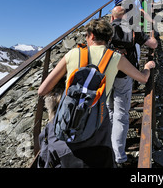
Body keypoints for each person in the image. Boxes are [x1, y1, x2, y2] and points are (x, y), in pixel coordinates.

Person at [37, 19, 155, 168]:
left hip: (67, 119)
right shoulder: (116, 57)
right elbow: (143, 78)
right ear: (109, 39)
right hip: (98, 120)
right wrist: (147, 67)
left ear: (91, 36)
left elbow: (42, 90)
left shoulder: (73, 53)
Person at [108, 6, 158, 166]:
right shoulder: (132, 29)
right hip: (125, 74)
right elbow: (153, 44)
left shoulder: (106, 30)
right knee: (121, 115)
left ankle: (108, 146)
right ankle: (119, 156)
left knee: (109, 110)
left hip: (106, 75)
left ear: (111, 18)